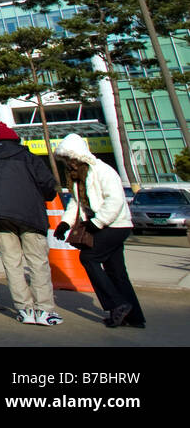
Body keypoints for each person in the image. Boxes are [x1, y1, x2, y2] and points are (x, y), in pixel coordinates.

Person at [0, 123, 60, 326]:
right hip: (30, 215)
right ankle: (44, 309)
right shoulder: (27, 156)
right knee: (38, 262)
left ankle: (24, 309)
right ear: (15, 140)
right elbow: (48, 185)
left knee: (12, 264)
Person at [54, 133, 145, 328]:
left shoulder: (103, 171)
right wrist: (65, 223)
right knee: (117, 272)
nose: (69, 164)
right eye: (66, 160)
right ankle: (134, 316)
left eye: (71, 159)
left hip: (116, 225)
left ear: (80, 156)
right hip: (104, 224)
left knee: (88, 258)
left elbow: (116, 200)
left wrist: (99, 221)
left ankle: (117, 304)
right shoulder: (78, 178)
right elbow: (75, 204)